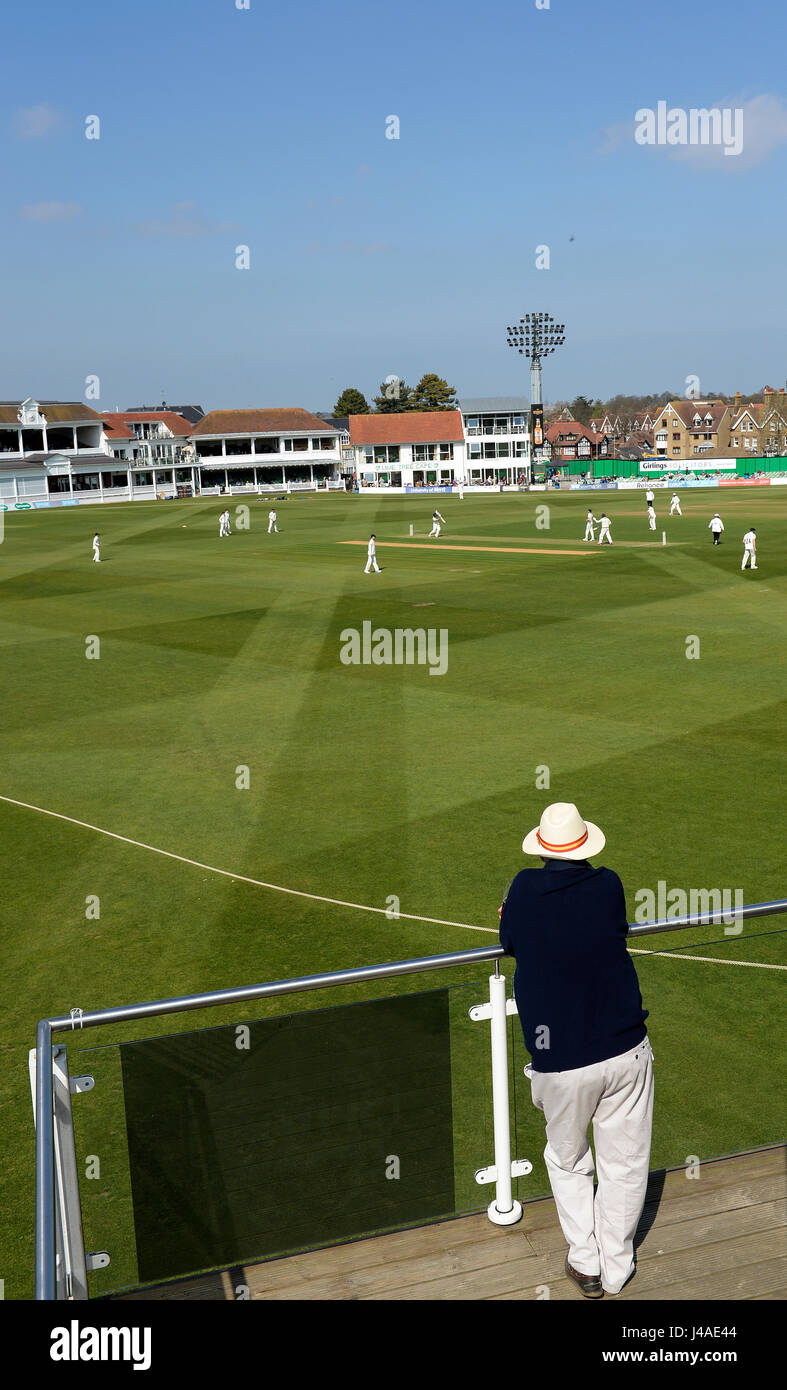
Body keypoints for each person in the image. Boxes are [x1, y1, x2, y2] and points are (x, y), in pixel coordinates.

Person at [499, 802, 653, 1299]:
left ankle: (586, 1263)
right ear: (584, 843)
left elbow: (510, 940)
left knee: (568, 1160)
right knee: (624, 1161)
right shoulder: (608, 883)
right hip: (624, 1045)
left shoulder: (523, 888)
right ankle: (616, 1266)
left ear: (543, 848)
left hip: (561, 1059)